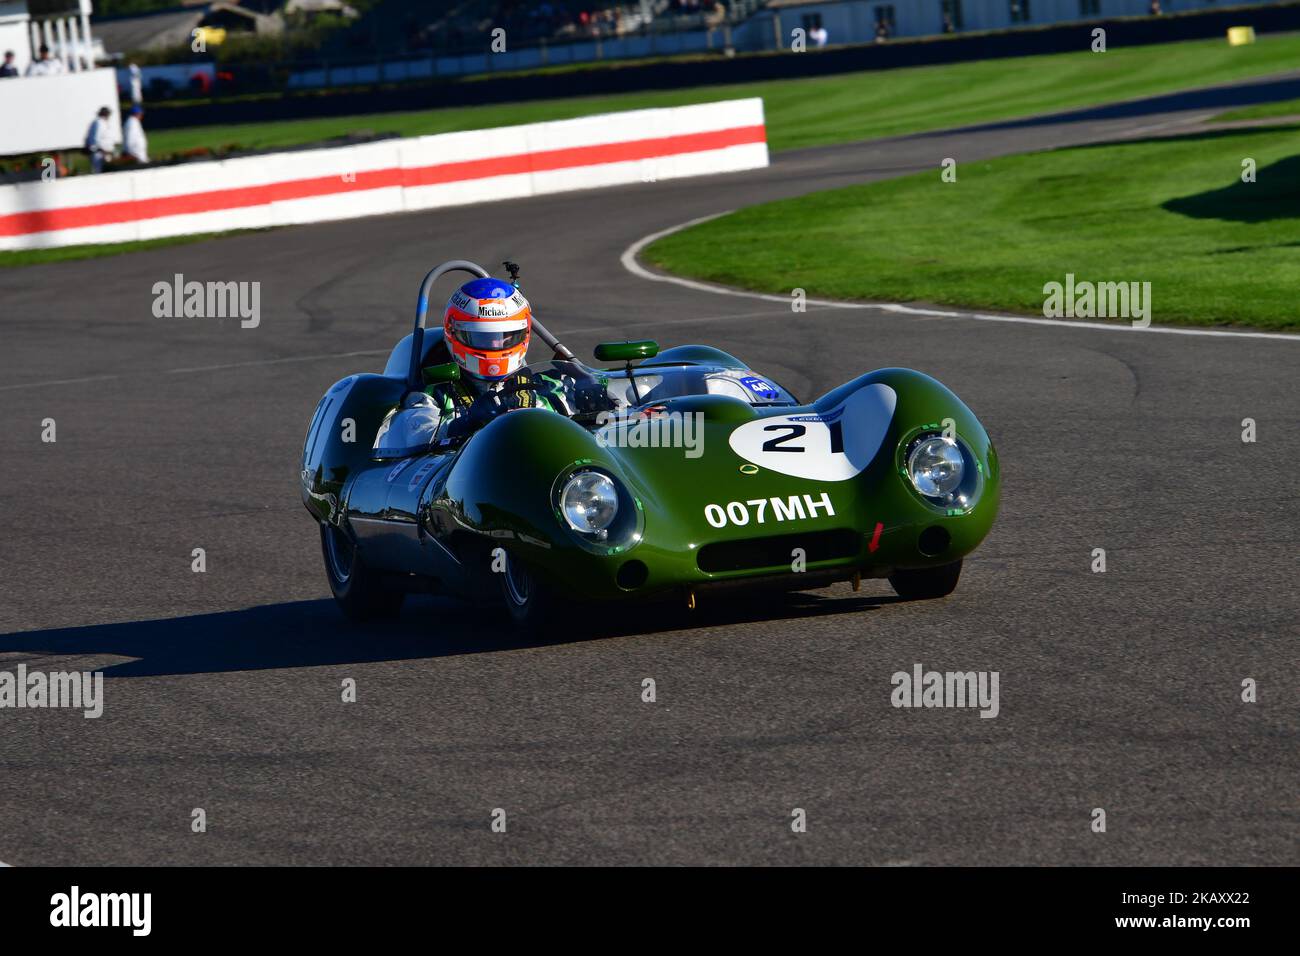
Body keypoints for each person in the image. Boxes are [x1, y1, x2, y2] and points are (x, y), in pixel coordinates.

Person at [85, 107, 115, 173]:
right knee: (100, 173)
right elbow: (96, 139)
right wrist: (104, 150)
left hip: (104, 153)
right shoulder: (99, 122)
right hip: (100, 153)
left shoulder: (102, 122)